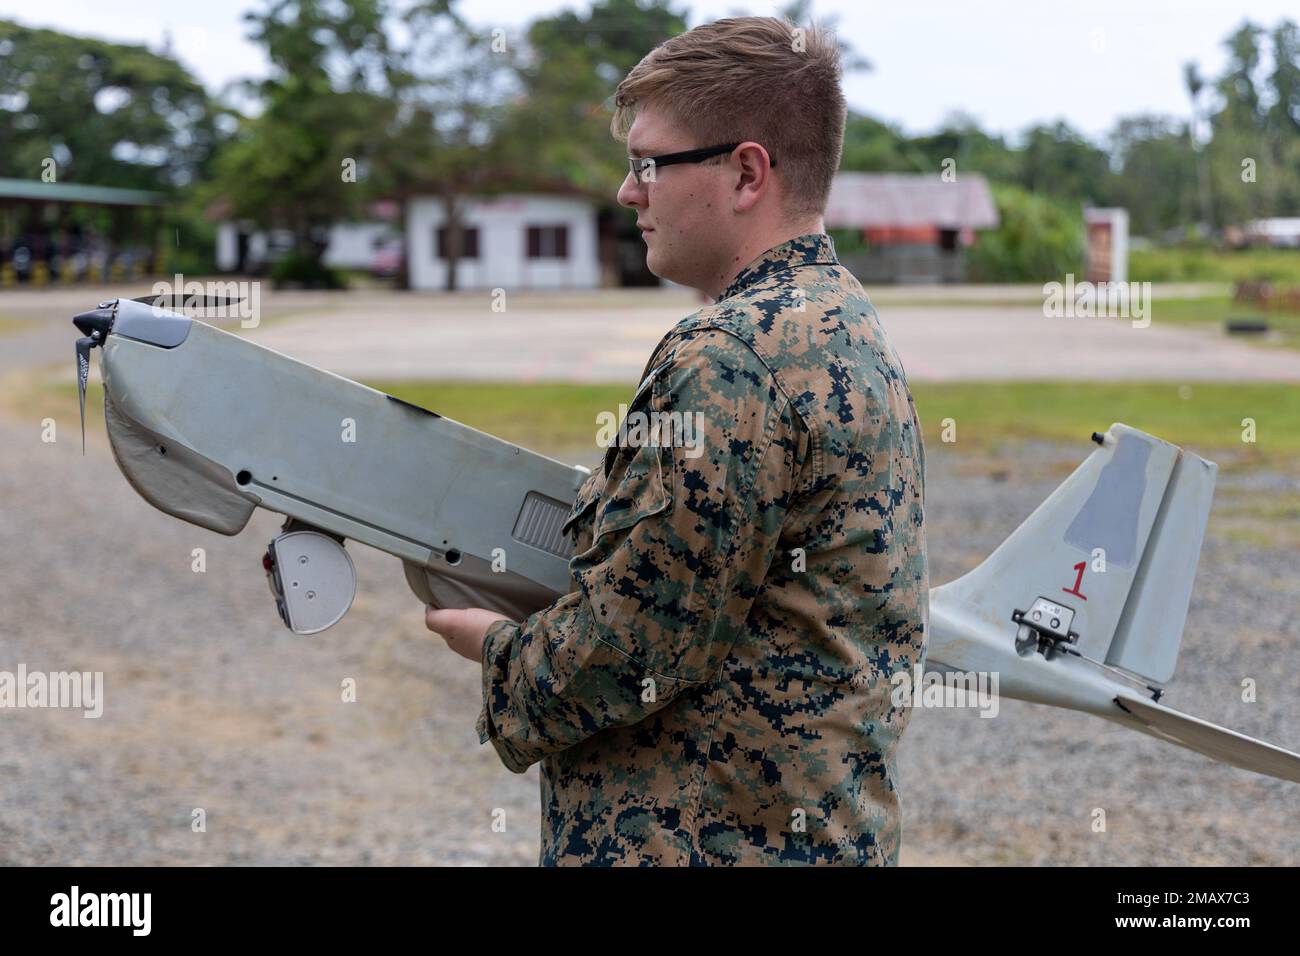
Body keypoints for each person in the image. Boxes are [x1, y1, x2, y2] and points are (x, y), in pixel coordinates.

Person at [426, 15, 928, 866]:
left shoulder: (730, 354)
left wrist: (491, 645)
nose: (630, 192)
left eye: (649, 164)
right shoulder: (841, 317)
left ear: (745, 173)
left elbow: (636, 644)